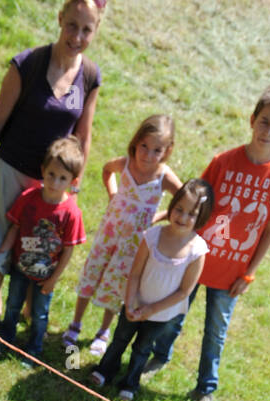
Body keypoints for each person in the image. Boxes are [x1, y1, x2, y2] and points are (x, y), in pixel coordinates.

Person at [142, 85, 270, 401]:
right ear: (251, 120)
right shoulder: (224, 162)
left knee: (216, 331)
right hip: (196, 261)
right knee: (173, 311)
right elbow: (195, 204)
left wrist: (249, 273)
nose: (269, 131)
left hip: (233, 273)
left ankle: (204, 391)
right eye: (264, 121)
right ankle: (159, 357)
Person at [0, 0, 104, 324]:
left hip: (52, 182)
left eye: (87, 29)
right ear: (60, 19)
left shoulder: (89, 76)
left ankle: (25, 305)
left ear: (95, 31)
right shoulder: (26, 64)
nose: (77, 36)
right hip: (10, 170)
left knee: (38, 247)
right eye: (72, 25)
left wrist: (75, 183)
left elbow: (84, 136)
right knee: (0, 243)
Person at [61, 113, 182, 358]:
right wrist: (113, 195)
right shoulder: (126, 163)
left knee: (118, 283)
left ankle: (103, 332)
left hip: (134, 243)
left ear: (167, 151)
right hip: (109, 232)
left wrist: (156, 217)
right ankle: (75, 323)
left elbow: (183, 202)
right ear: (136, 142)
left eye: (156, 150)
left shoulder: (163, 177)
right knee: (93, 271)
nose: (147, 155)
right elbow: (107, 170)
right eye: (144, 146)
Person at [88, 180, 213, 401]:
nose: (182, 218)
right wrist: (131, 301)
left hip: (161, 314)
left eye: (191, 214)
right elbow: (135, 273)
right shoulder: (153, 236)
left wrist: (152, 309)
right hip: (134, 304)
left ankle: (130, 383)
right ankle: (105, 370)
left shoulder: (198, 251)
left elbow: (184, 291)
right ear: (171, 207)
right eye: (179, 209)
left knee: (142, 349)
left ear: (201, 217)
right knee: (120, 339)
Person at [0, 137, 86, 364]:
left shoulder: (71, 213)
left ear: (72, 180)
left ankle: (34, 349)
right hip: (20, 268)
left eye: (62, 178)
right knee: (12, 306)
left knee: (39, 315)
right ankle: (6, 339)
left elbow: (68, 250)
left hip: (45, 277)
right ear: (43, 170)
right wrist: (1, 253)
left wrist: (54, 279)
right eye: (51, 174)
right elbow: (14, 229)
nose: (55, 182)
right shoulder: (28, 199)